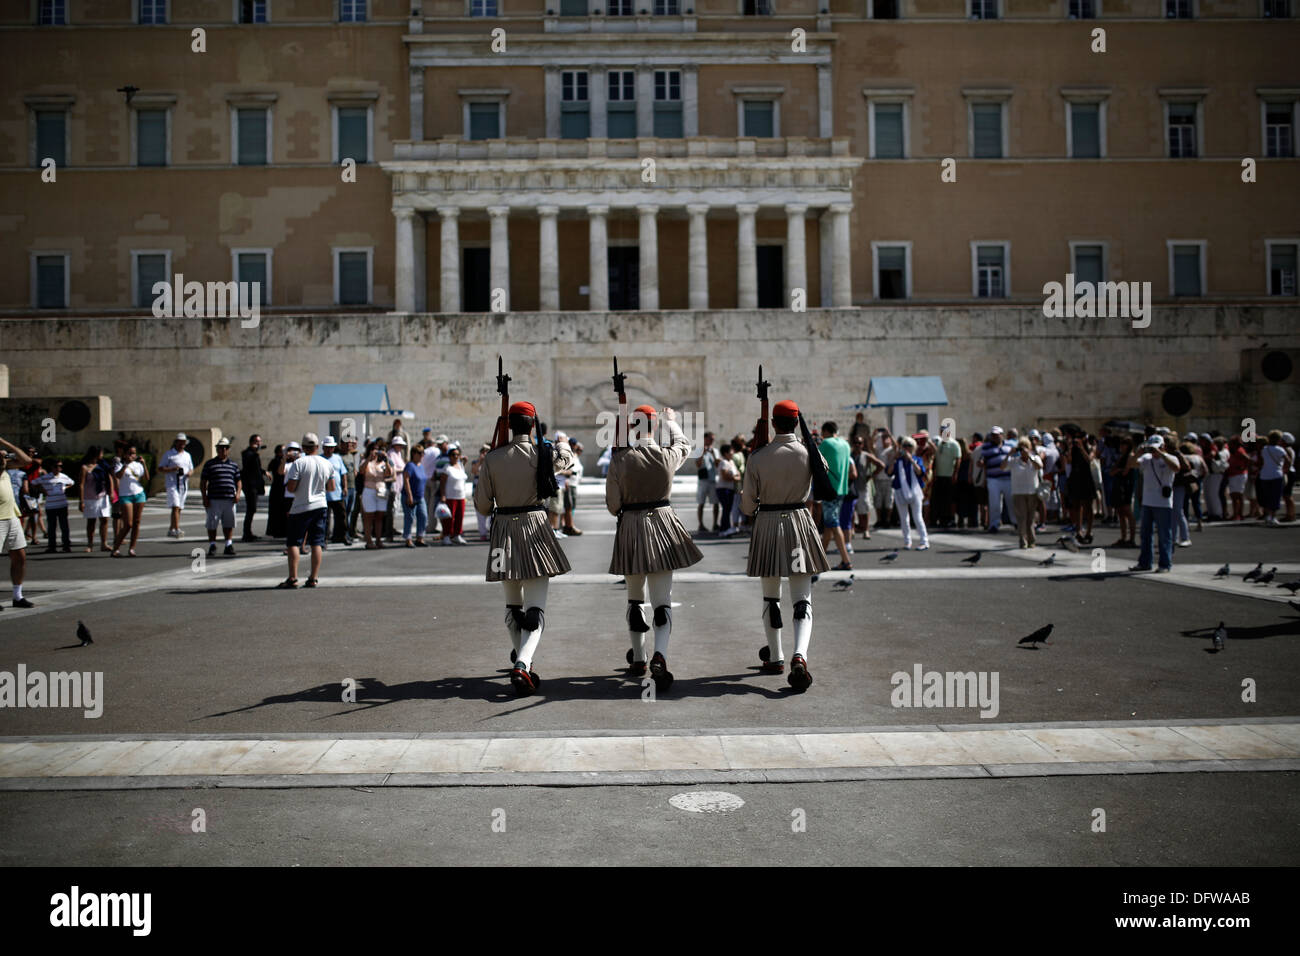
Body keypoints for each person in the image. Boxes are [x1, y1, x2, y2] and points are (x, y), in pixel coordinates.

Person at [474, 400, 577, 695]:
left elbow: (482, 507)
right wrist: (562, 443)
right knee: (535, 608)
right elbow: (566, 460)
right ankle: (523, 663)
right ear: (532, 425)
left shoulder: (492, 459)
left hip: (503, 530)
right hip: (535, 529)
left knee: (511, 604)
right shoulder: (542, 454)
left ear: (508, 425)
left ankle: (521, 656)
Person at [606, 404, 705, 691]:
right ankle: (660, 655)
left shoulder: (620, 459)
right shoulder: (666, 455)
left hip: (631, 529)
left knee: (635, 600)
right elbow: (684, 444)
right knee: (662, 601)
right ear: (653, 427)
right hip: (663, 525)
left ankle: (639, 657)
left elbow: (613, 506)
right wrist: (671, 421)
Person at [739, 399, 831, 692]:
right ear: (796, 422)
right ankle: (799, 656)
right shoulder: (808, 452)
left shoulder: (757, 457)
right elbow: (823, 475)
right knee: (802, 598)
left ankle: (776, 655)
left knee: (771, 598)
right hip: (799, 523)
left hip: (768, 524)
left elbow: (746, 506)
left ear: (773, 423)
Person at [279, 433, 336, 589]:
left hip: (300, 506)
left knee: (293, 543)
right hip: (320, 505)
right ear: (317, 447)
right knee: (317, 543)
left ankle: (293, 578)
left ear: (303, 448)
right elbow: (331, 487)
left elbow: (291, 488)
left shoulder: (298, 463)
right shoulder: (326, 464)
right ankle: (313, 577)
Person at [1130, 435, 1179, 574]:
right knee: (1145, 534)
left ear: (1163, 446)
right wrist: (1138, 452)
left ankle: (1165, 564)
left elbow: (1176, 468)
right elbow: (1131, 464)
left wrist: (1162, 454)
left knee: (1164, 535)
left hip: (1163, 503)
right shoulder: (1146, 459)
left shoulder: (1170, 458)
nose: (1154, 450)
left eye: (1156, 447)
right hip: (1147, 502)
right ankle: (1145, 562)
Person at [0, 436, 35, 609]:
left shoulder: (6, 468)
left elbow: (27, 460)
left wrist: (6, 443)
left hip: (11, 516)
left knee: (20, 556)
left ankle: (17, 595)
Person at [817, 421, 854, 571]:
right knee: (829, 523)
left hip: (829, 489)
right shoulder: (846, 444)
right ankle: (820, 558)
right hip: (842, 489)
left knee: (833, 523)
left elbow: (816, 461)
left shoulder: (826, 443)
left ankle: (846, 560)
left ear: (826, 431)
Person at [200, 437, 242, 557]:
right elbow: (203, 481)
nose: (223, 450)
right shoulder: (210, 464)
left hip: (229, 498)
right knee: (212, 523)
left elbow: (238, 481)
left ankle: (228, 544)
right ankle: (212, 544)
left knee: (229, 523)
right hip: (214, 498)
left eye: (225, 448)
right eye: (220, 448)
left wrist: (238, 493)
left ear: (228, 449)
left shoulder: (233, 465)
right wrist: (204, 497)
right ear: (217, 449)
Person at [887, 435, 929, 551]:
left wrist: (910, 460)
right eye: (904, 446)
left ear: (913, 448)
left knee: (917, 517)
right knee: (904, 518)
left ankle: (924, 541)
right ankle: (907, 541)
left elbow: (920, 472)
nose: (906, 448)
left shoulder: (917, 459)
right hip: (900, 491)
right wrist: (894, 459)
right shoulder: (898, 461)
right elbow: (889, 472)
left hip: (914, 491)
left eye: (909, 446)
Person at [110, 446, 149, 557]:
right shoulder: (119, 464)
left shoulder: (138, 465)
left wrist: (144, 464)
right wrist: (125, 465)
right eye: (130, 453)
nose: (133, 455)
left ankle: (132, 548)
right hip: (125, 496)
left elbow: (146, 477)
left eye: (134, 453)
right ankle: (115, 548)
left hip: (139, 494)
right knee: (128, 524)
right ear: (125, 454)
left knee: (136, 522)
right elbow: (118, 476)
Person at [976, 425, 1013, 534]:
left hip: (1007, 477)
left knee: (1011, 501)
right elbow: (982, 459)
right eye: (993, 435)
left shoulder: (1010, 445)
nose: (995, 437)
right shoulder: (986, 447)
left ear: (1001, 435)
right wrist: (981, 463)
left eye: (997, 435)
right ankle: (994, 524)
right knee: (994, 503)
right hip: (993, 478)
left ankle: (1015, 521)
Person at [1008, 437, 1043, 549]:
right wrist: (1009, 454)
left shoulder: (1035, 458)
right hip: (1018, 492)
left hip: (1032, 492)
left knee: (1030, 518)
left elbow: (1039, 467)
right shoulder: (1014, 461)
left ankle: (1032, 540)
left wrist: (1029, 456)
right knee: (1021, 518)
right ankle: (1023, 541)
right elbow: (1002, 467)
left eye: (1025, 447)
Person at [158, 433, 193, 539]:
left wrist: (189, 473)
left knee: (179, 507)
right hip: (172, 484)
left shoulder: (187, 455)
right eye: (180, 442)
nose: (182, 444)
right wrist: (172, 469)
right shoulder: (169, 454)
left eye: (184, 443)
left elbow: (191, 468)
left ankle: (171, 528)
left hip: (183, 484)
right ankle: (176, 529)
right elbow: (160, 468)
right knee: (175, 506)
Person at [359, 439, 393, 549]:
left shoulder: (382, 463)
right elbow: (361, 471)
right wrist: (369, 458)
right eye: (373, 449)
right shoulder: (365, 461)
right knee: (369, 516)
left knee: (380, 516)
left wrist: (386, 459)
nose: (375, 451)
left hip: (381, 490)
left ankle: (378, 540)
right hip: (369, 490)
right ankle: (369, 540)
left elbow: (389, 473)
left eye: (377, 449)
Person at [79, 446, 112, 553]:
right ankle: (90, 544)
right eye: (101, 453)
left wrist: (111, 492)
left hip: (102, 496)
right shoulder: (85, 467)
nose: (102, 455)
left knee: (104, 520)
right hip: (90, 497)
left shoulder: (103, 465)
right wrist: (81, 500)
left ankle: (104, 543)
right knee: (91, 521)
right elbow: (81, 484)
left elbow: (109, 478)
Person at [38, 458, 74, 554]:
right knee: (51, 527)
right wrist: (43, 491)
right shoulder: (46, 477)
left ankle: (66, 546)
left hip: (62, 504)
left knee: (64, 526)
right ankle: (52, 546)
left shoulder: (63, 476)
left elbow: (72, 482)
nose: (58, 468)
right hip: (51, 506)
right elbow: (34, 483)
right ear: (52, 467)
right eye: (56, 466)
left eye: (60, 466)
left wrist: (64, 488)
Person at [930, 426, 961, 529]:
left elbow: (958, 460)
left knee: (950, 498)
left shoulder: (954, 444)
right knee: (940, 498)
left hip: (949, 475)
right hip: (939, 475)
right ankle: (942, 518)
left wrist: (955, 474)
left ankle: (951, 518)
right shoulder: (938, 444)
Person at [1109, 437, 1137, 548]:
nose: (1121, 447)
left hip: (1126, 485)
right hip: (1119, 484)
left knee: (1127, 512)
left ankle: (1132, 538)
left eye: (1124, 445)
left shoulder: (1130, 456)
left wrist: (1118, 471)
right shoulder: (1121, 457)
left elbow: (1125, 471)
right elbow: (1112, 471)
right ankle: (1123, 536)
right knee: (1120, 512)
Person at [439, 446, 470, 544]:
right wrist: (443, 495)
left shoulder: (460, 466)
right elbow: (442, 483)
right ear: (449, 456)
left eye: (457, 454)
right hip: (450, 496)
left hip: (461, 496)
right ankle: (446, 536)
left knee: (459, 517)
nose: (455, 456)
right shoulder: (447, 468)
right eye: (453, 455)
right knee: (449, 518)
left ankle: (457, 535)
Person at [322, 436, 350, 545]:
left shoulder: (338, 458)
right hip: (324, 494)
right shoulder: (320, 458)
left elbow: (343, 474)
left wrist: (345, 487)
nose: (329, 449)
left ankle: (342, 536)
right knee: (325, 519)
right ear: (323, 447)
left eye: (331, 447)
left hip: (337, 493)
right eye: (327, 447)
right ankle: (323, 539)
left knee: (342, 516)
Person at [1258, 430, 1288, 527]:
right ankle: (1273, 516)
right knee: (1275, 496)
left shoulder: (1264, 449)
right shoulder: (1280, 450)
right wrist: (1284, 469)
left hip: (1264, 475)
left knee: (1267, 496)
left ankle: (1267, 515)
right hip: (1276, 474)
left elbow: (1261, 461)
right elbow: (1288, 460)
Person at [402, 444, 430, 547]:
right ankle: (408, 538)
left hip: (420, 496)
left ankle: (420, 537)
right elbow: (406, 480)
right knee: (409, 517)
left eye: (423, 453)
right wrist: (409, 495)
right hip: (410, 496)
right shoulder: (410, 465)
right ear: (414, 454)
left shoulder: (421, 466)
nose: (422, 455)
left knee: (423, 516)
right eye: (420, 453)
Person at [241, 435, 266, 542]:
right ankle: (246, 533)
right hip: (249, 485)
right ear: (251, 442)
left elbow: (257, 468)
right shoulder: (247, 453)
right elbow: (248, 463)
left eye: (259, 441)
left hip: (255, 485)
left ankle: (248, 532)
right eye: (256, 441)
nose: (259, 443)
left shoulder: (254, 454)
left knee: (252, 509)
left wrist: (264, 472)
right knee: (251, 509)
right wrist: (255, 452)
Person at [695, 431, 720, 534]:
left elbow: (718, 465)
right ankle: (700, 524)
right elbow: (698, 464)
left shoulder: (715, 451)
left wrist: (714, 455)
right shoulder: (698, 450)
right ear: (705, 439)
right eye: (710, 438)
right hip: (703, 481)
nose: (712, 441)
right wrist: (702, 454)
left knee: (716, 503)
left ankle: (715, 524)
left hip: (713, 479)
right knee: (701, 503)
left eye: (713, 439)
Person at [872, 428, 897, 529]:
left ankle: (887, 520)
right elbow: (871, 446)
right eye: (883, 438)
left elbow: (897, 446)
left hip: (889, 479)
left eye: (886, 438)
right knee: (878, 500)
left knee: (889, 500)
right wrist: (874, 435)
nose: (885, 440)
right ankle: (879, 520)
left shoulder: (892, 449)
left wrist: (890, 434)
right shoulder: (879, 449)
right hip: (879, 478)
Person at [560, 439, 585, 536]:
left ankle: (567, 525)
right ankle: (568, 526)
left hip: (573, 483)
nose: (575, 447)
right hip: (568, 483)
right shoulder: (567, 454)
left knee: (570, 506)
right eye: (573, 445)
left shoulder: (574, 455)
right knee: (568, 506)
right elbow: (563, 468)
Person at [471, 443, 492, 541]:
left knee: (491, 514)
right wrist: (480, 461)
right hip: (478, 492)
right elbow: (474, 471)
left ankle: (491, 531)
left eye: (486, 451)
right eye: (482, 451)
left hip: (489, 491)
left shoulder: (491, 462)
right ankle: (482, 533)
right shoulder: (476, 462)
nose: (484, 453)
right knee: (480, 514)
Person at [266, 444, 287, 539]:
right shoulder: (276, 462)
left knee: (282, 510)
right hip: (277, 488)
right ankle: (276, 530)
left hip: (283, 488)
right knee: (276, 511)